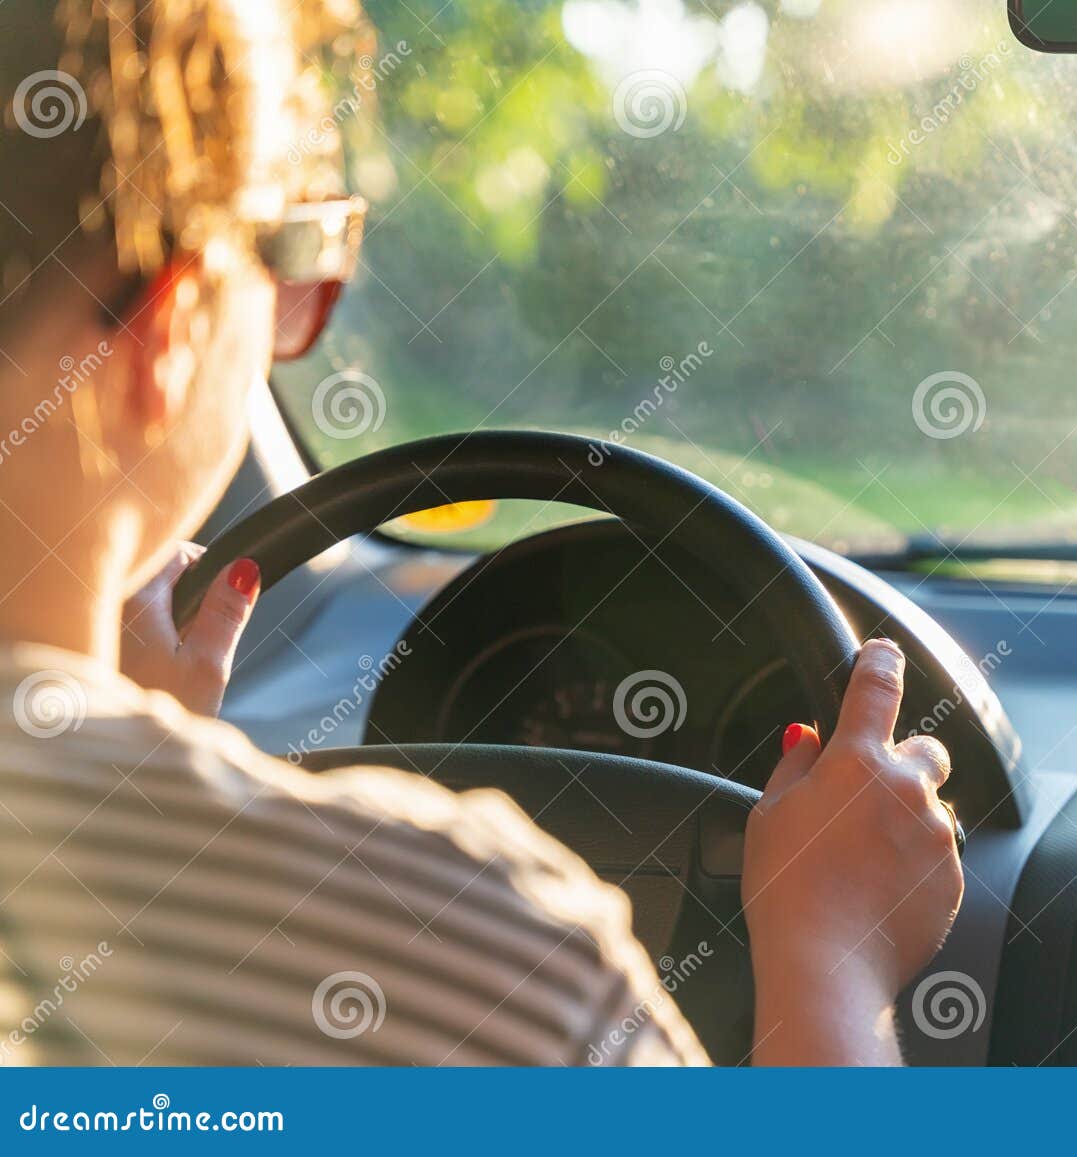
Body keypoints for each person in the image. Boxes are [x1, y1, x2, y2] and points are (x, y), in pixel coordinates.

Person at [0, 0, 962, 1065]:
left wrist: (117, 763)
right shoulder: (470, 956)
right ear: (172, 334)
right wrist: (832, 953)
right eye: (292, 263)